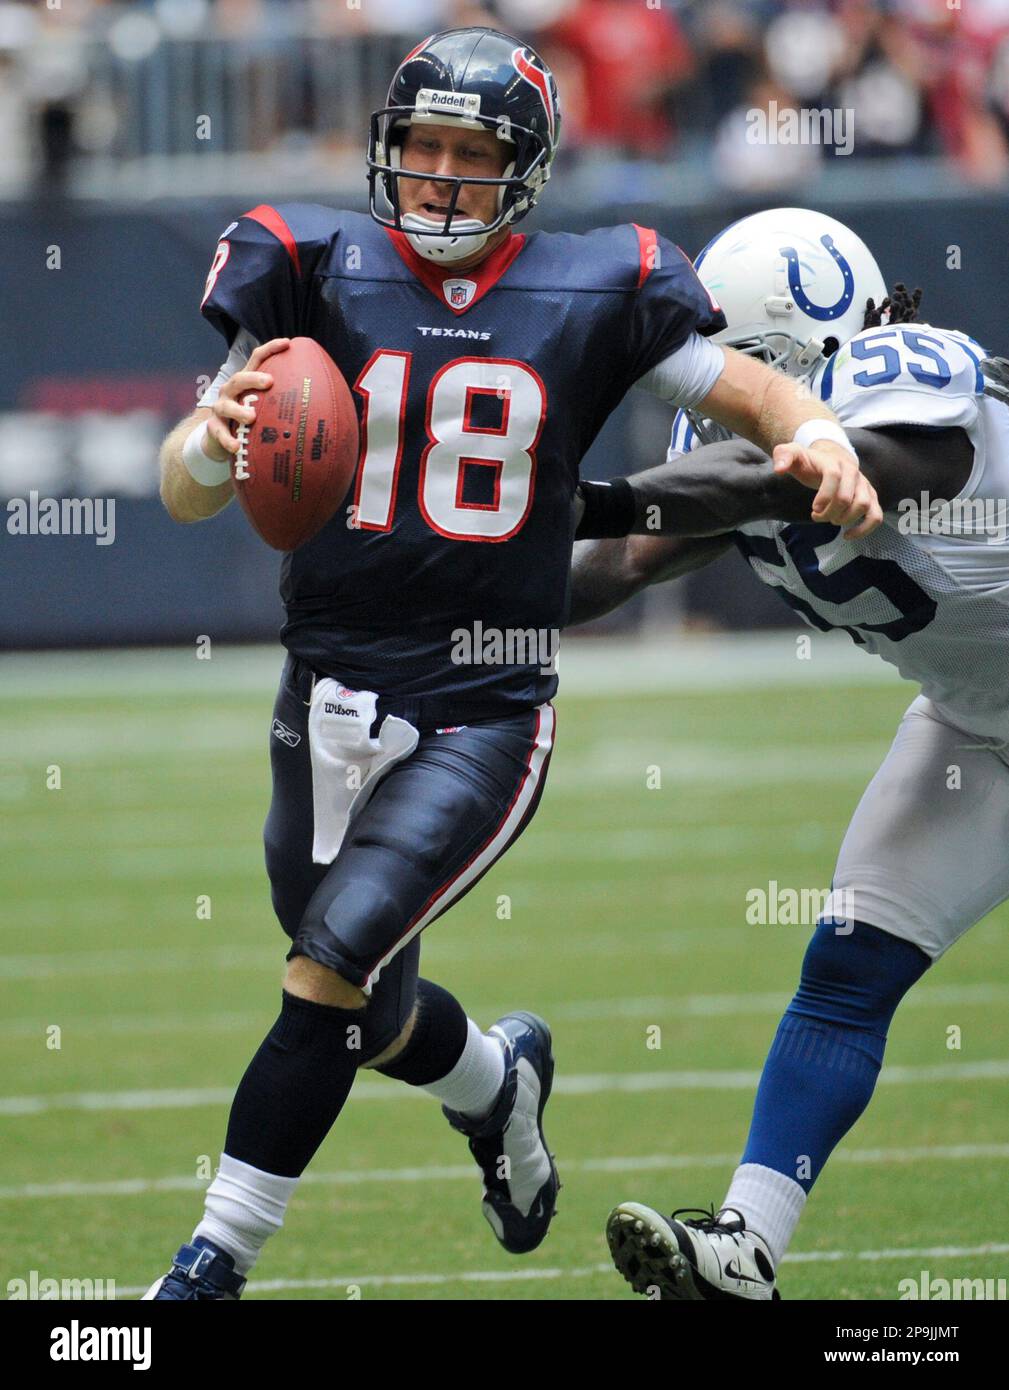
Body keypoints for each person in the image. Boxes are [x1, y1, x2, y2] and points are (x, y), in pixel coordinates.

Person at [151, 30, 874, 1299]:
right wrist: (208, 446)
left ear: (521, 169)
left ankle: (208, 1267)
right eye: (419, 146)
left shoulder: (599, 284)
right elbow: (185, 491)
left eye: (467, 152)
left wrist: (818, 433)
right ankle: (500, 1085)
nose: (435, 176)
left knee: (323, 971)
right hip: (322, 688)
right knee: (362, 1008)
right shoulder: (312, 264)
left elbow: (745, 390)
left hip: (480, 707)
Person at [569, 206, 1006, 1300]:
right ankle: (745, 1251)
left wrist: (594, 496)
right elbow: (610, 570)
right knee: (846, 971)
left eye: (744, 364)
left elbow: (878, 464)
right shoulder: (749, 462)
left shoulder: (909, 392)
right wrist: (433, 571)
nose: (726, 391)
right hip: (980, 723)